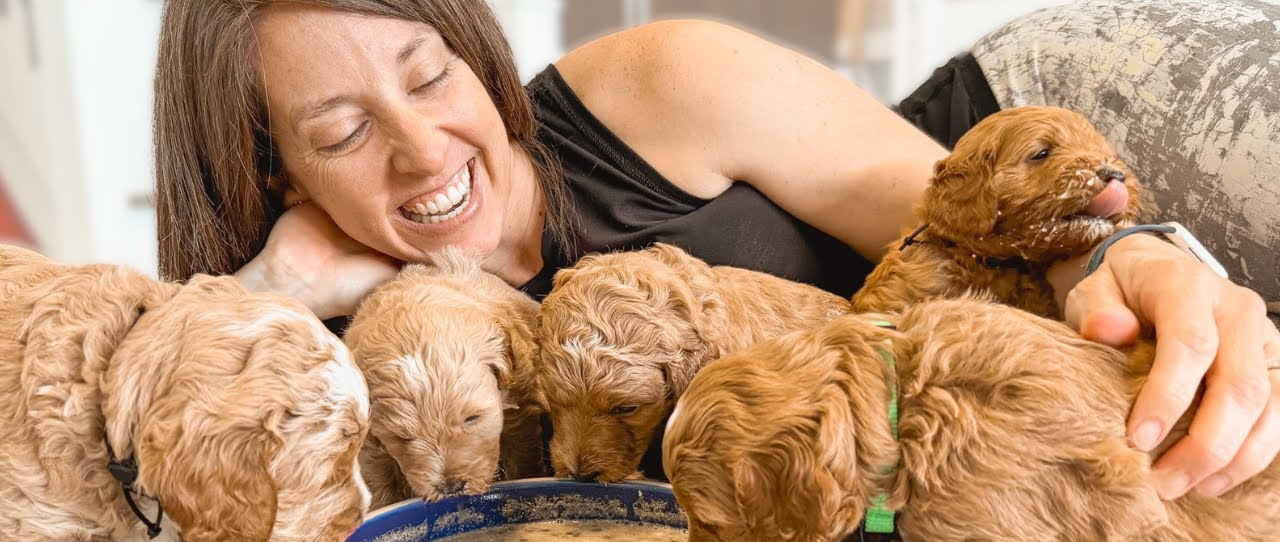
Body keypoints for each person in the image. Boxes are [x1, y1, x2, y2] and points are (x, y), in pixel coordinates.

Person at [153, 0, 1279, 502]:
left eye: (428, 73)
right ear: (273, 174)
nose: (420, 149)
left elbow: (972, 223)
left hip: (1061, 110)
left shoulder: (662, 85)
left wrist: (1126, 255)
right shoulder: (356, 347)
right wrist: (281, 287)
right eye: (341, 134)